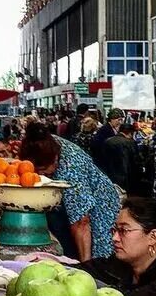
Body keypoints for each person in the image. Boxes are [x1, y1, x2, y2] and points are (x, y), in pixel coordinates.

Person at [19, 123, 120, 260]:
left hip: (101, 207)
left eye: (44, 171)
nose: (42, 175)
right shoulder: (41, 143)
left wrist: (86, 265)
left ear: (55, 158)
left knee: (100, 259)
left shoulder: (71, 167)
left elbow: (81, 222)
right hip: (72, 212)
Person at [103, 122, 139, 193]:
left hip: (109, 173)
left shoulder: (108, 141)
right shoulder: (130, 143)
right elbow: (135, 159)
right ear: (130, 133)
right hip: (125, 175)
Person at [91, 108, 125, 172]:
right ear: (112, 119)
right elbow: (97, 146)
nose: (120, 122)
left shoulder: (113, 128)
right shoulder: (105, 130)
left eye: (121, 120)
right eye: (119, 120)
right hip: (104, 162)